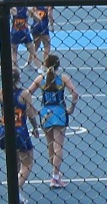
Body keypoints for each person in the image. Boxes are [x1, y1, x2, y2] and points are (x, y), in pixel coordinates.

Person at [33, 53, 79, 188]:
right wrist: (71, 108)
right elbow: (75, 93)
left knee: (50, 145)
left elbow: (27, 94)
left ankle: (55, 173)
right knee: (58, 145)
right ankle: (55, 176)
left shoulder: (41, 78)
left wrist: (34, 110)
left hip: (45, 113)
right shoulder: (63, 78)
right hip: (59, 112)